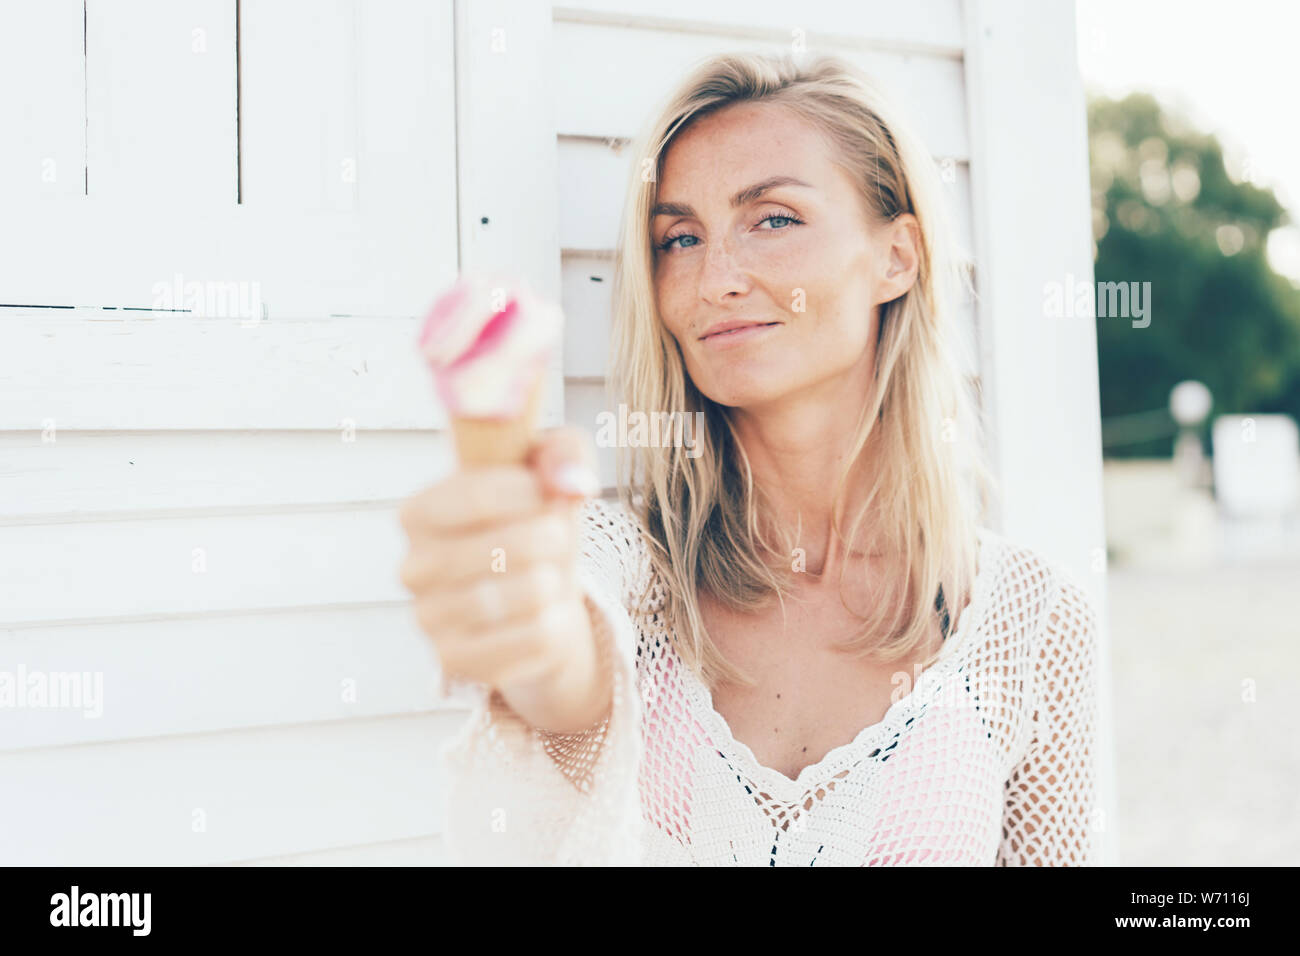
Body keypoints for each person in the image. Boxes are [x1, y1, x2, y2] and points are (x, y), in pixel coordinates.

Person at [399, 52, 1101, 866]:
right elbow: (566, 656)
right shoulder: (629, 570)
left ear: (897, 257)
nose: (714, 279)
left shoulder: (1031, 621)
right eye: (680, 237)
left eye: (772, 219)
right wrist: (524, 612)